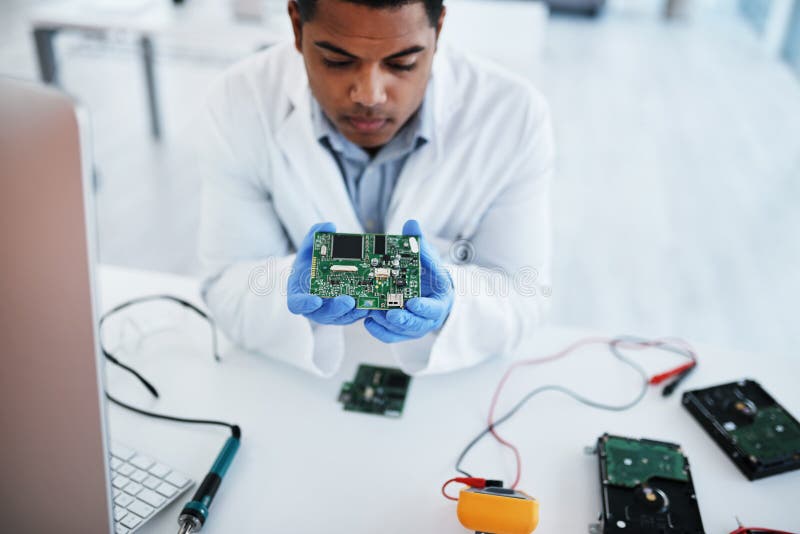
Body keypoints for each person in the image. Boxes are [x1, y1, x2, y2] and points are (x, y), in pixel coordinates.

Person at [196, 0, 554, 377]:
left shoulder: (513, 116)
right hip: (297, 378)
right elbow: (226, 287)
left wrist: (452, 302)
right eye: (337, 60)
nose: (370, 95)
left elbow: (523, 297)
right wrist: (291, 284)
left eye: (402, 63)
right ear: (297, 25)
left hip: (448, 385)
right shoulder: (239, 102)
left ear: (439, 30)